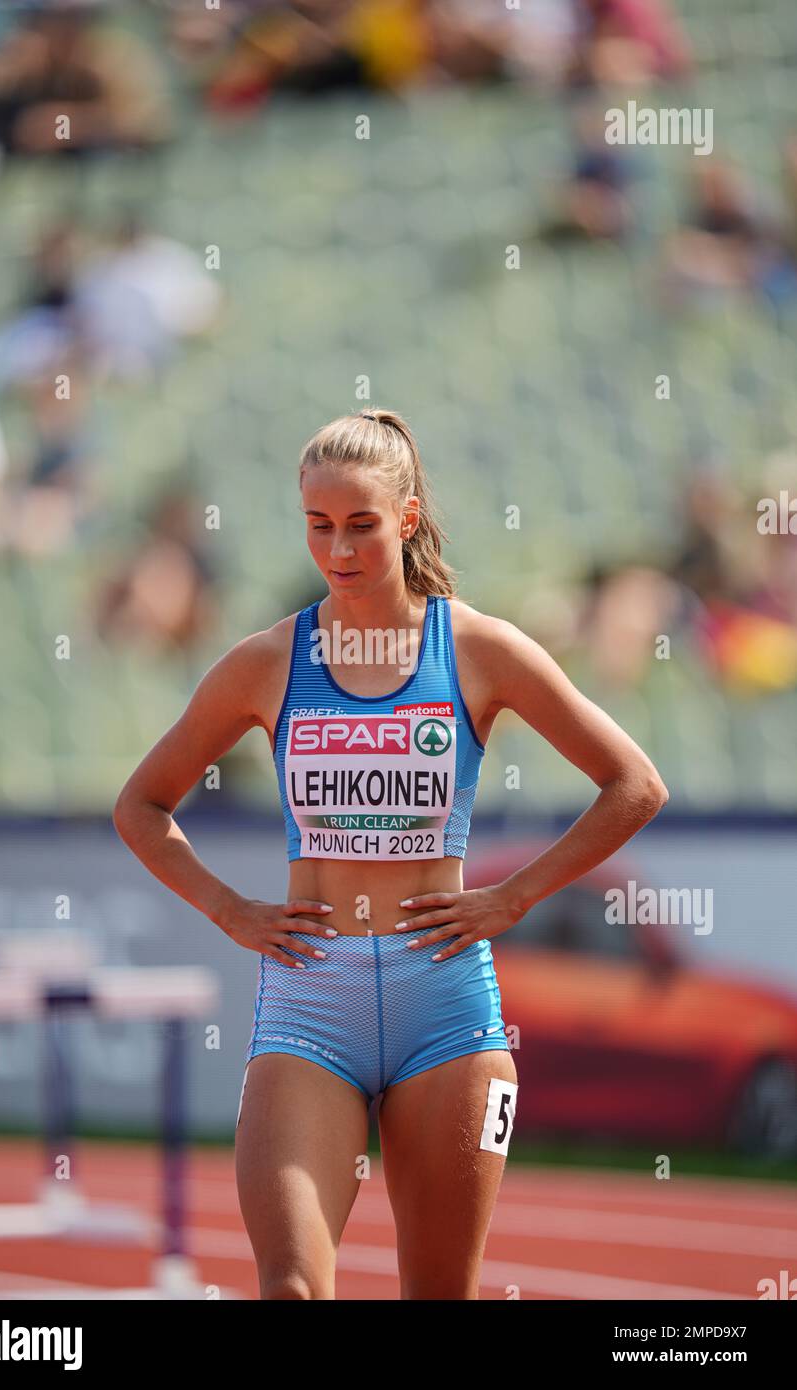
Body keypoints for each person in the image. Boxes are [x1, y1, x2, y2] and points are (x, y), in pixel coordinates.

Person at [113, 407, 668, 1299]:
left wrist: (510, 898)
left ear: (406, 520)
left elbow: (634, 784)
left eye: (361, 524)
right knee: (293, 1285)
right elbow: (141, 804)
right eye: (318, 525)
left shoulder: (478, 647)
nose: (337, 549)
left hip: (445, 1005)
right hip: (308, 1000)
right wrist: (231, 909)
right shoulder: (267, 661)